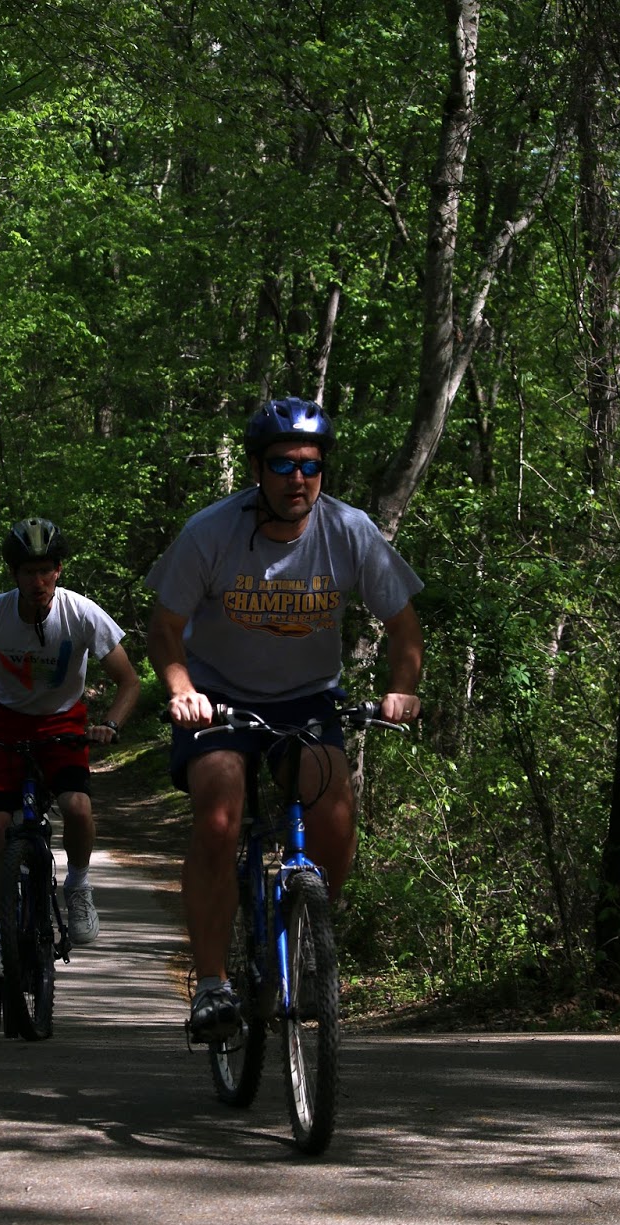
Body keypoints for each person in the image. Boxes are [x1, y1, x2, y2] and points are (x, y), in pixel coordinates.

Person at [146, 397, 423, 1045]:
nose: (297, 478)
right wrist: (181, 688)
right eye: (281, 464)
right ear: (257, 470)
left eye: (310, 466)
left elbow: (403, 627)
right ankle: (213, 985)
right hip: (217, 699)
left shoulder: (349, 531)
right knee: (218, 814)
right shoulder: (210, 533)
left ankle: (308, 933)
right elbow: (164, 628)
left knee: (335, 815)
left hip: (307, 700)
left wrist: (401, 690)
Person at [0, 517, 141, 983]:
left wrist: (110, 724)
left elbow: (129, 681)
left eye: (46, 569)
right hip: (4, 721)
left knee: (77, 806)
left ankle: (79, 887)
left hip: (62, 720)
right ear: (14, 575)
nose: (38, 580)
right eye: (28, 571)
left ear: (59, 570)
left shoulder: (83, 613)